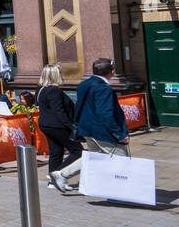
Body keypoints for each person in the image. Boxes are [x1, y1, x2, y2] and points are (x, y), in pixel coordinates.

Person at [54, 58, 130, 190]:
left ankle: (61, 174)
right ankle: (123, 191)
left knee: (93, 157)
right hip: (101, 131)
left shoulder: (84, 84)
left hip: (87, 129)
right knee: (122, 160)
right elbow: (105, 113)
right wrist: (119, 134)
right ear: (112, 72)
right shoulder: (103, 88)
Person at [37, 64, 82, 194]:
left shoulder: (41, 90)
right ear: (54, 75)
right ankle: (59, 174)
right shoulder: (53, 90)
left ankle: (54, 181)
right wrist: (71, 126)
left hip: (46, 124)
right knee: (77, 151)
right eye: (59, 72)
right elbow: (59, 111)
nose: (62, 74)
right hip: (57, 125)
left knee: (56, 151)